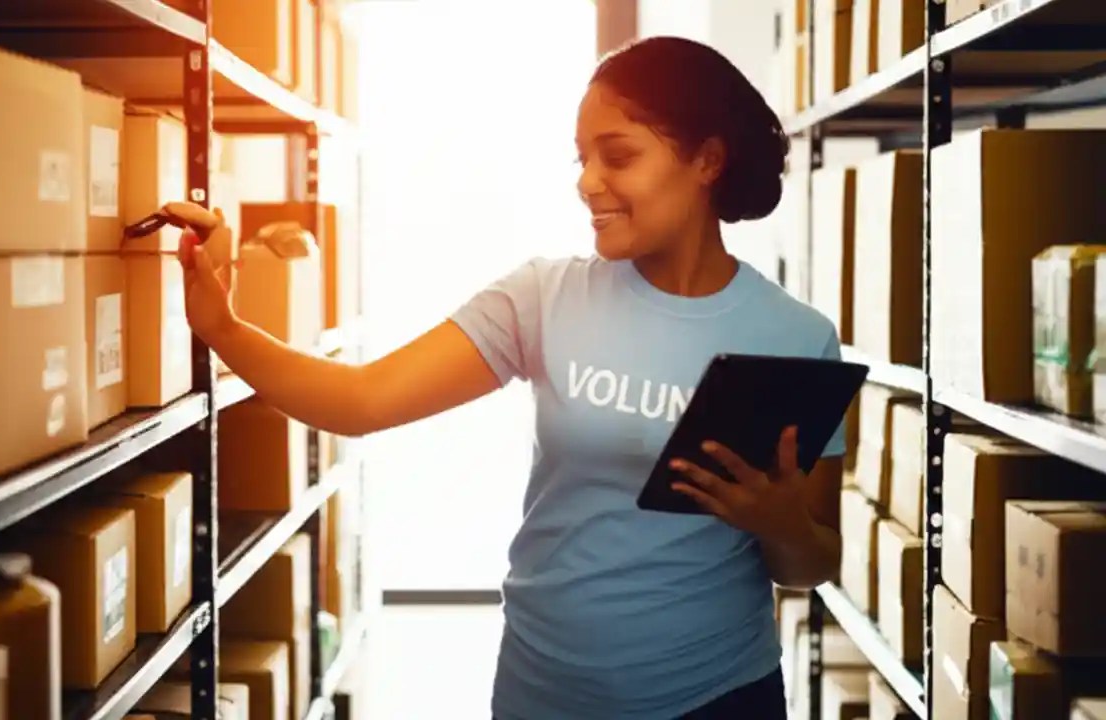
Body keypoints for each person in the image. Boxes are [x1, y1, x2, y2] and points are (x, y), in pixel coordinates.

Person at [170, 35, 843, 720]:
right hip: (544, 694)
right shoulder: (543, 299)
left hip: (718, 697)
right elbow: (360, 401)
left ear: (707, 160)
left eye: (618, 156)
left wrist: (781, 525)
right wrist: (223, 328)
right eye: (582, 158)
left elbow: (812, 564)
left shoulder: (795, 339)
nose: (587, 182)